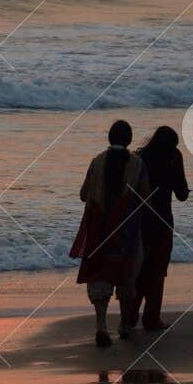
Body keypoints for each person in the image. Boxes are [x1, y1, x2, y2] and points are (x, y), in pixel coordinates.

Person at [71, 119, 150, 348]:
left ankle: (101, 326)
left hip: (98, 230)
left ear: (110, 138)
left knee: (100, 277)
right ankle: (125, 326)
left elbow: (84, 194)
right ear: (129, 139)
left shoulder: (97, 161)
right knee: (127, 277)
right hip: (128, 231)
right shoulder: (137, 164)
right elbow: (145, 196)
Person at [133, 126, 189, 331]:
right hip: (163, 219)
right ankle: (151, 318)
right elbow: (182, 194)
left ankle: (130, 315)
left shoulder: (140, 157)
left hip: (140, 220)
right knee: (158, 270)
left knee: (139, 268)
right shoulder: (174, 157)